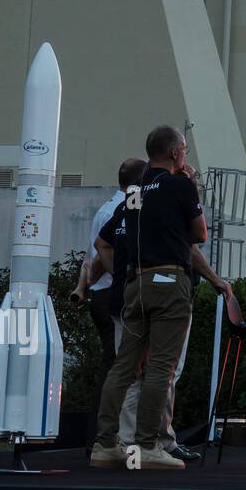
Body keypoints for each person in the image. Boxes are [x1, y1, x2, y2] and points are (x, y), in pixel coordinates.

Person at [90, 125, 229, 470]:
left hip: (134, 285)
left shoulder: (136, 192)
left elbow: (113, 238)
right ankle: (148, 446)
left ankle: (105, 444)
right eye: (184, 149)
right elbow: (199, 233)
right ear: (174, 153)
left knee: (123, 366)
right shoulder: (179, 184)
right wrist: (190, 185)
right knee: (161, 368)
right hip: (170, 281)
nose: (186, 154)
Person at [71, 157, 145, 454]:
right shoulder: (120, 210)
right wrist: (121, 274)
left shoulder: (109, 208)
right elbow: (103, 253)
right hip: (110, 294)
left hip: (101, 292)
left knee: (114, 366)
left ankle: (102, 437)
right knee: (119, 367)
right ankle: (104, 438)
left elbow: (94, 255)